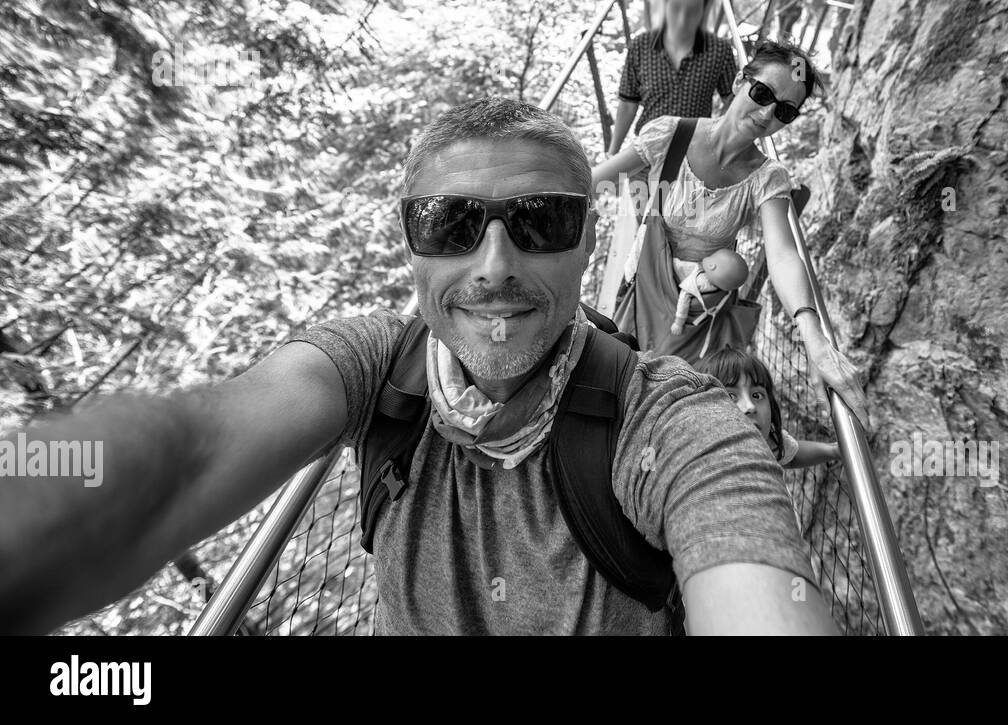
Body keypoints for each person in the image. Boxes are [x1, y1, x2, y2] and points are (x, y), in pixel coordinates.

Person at [0, 98, 839, 636]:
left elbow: (752, 571)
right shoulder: (374, 368)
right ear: (410, 243)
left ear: (591, 241)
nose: (496, 262)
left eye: (542, 220)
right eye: (451, 223)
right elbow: (187, 453)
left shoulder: (668, 416)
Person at [592, 40, 870, 432]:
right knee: (624, 391)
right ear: (740, 80)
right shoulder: (671, 134)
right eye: (762, 93)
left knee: (675, 413)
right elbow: (593, 182)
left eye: (785, 110)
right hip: (646, 293)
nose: (768, 113)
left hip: (700, 315)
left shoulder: (767, 177)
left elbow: (784, 254)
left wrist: (815, 339)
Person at [607, 0, 737, 156]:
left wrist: (717, 137)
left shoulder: (719, 50)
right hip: (647, 153)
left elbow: (732, 100)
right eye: (676, 7)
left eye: (693, 11)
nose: (683, 19)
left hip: (693, 157)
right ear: (665, 2)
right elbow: (628, 103)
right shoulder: (640, 46)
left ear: (704, 10)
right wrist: (612, 153)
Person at [695, 347, 840, 469]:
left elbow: (791, 455)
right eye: (731, 397)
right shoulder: (696, 467)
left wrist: (835, 450)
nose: (750, 406)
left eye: (757, 395)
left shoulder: (768, 442)